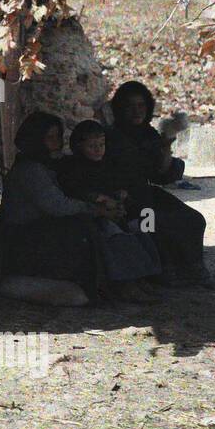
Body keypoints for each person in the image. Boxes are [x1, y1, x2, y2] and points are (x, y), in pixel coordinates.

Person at [105, 81, 209, 283]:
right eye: (130, 106)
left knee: (193, 219)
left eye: (141, 105)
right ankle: (157, 271)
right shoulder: (111, 136)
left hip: (146, 194)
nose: (137, 111)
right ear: (120, 108)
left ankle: (192, 267)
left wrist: (166, 147)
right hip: (124, 200)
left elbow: (161, 175)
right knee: (151, 224)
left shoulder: (148, 134)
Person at [0, 112, 107, 301]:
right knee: (81, 227)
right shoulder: (30, 171)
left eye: (58, 137)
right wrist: (92, 209)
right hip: (24, 237)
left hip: (36, 229)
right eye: (50, 138)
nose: (57, 143)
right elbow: (58, 206)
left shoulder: (46, 166)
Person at [57, 119, 162, 299]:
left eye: (101, 144)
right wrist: (100, 199)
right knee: (119, 239)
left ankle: (142, 278)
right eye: (91, 146)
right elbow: (74, 190)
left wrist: (120, 196)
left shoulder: (107, 165)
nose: (98, 149)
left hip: (115, 214)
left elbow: (118, 185)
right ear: (78, 146)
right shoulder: (72, 167)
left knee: (142, 232)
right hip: (90, 218)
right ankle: (127, 284)